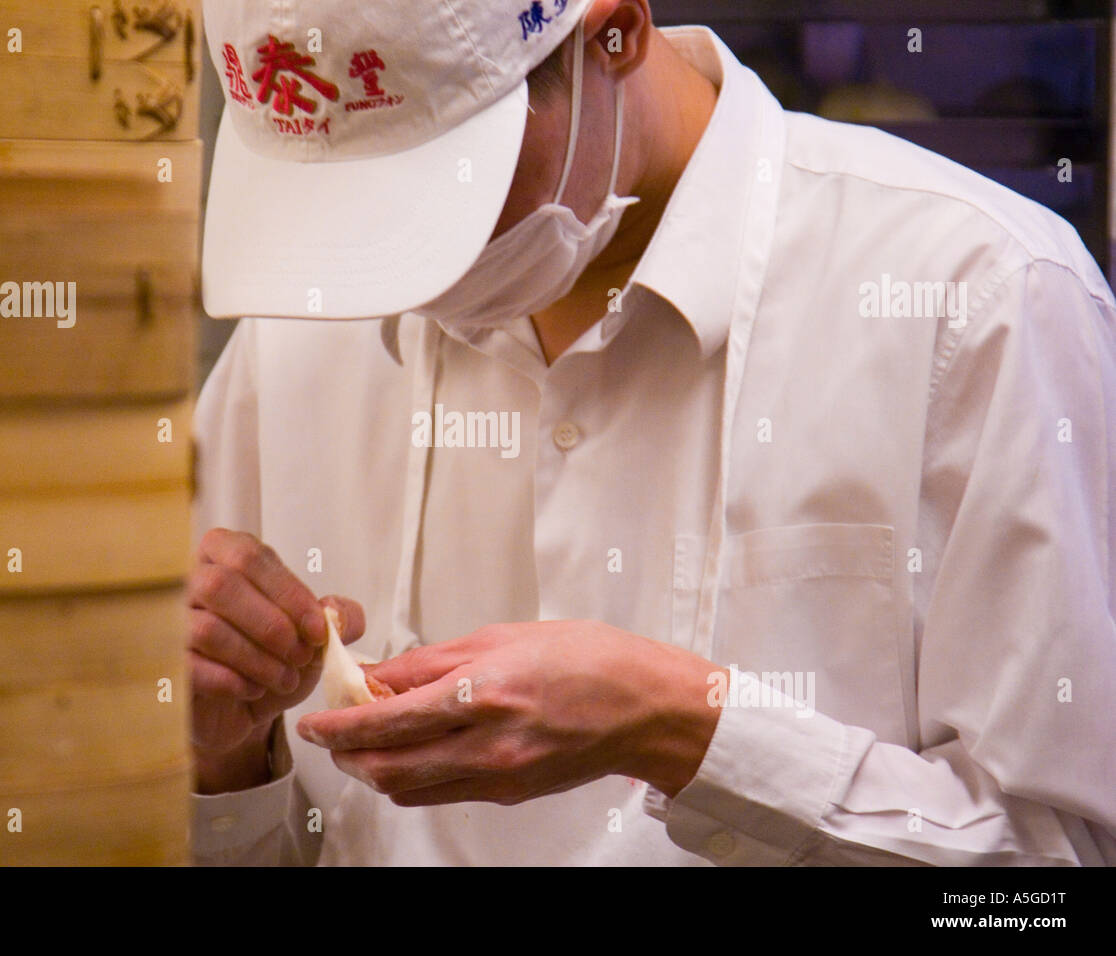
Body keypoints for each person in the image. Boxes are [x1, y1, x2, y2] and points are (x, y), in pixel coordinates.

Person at [188, 0, 1116, 865]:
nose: (394, 269)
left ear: (615, 35)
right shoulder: (307, 327)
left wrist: (683, 729)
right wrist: (222, 763)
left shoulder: (976, 298)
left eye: (439, 187)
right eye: (341, 208)